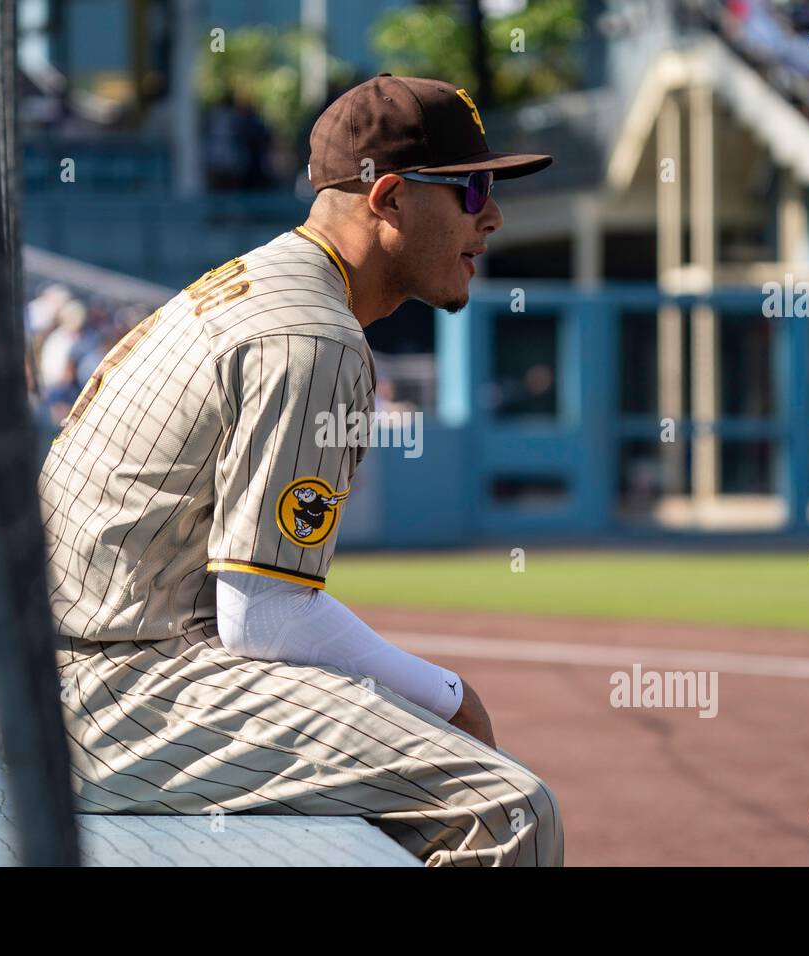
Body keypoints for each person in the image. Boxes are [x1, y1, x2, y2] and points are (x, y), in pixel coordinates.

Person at [36, 74, 560, 865]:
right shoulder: (312, 335)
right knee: (506, 807)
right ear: (387, 198)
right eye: (470, 187)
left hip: (70, 665)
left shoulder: (266, 284)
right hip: (105, 696)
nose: (490, 214)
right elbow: (266, 619)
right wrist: (454, 698)